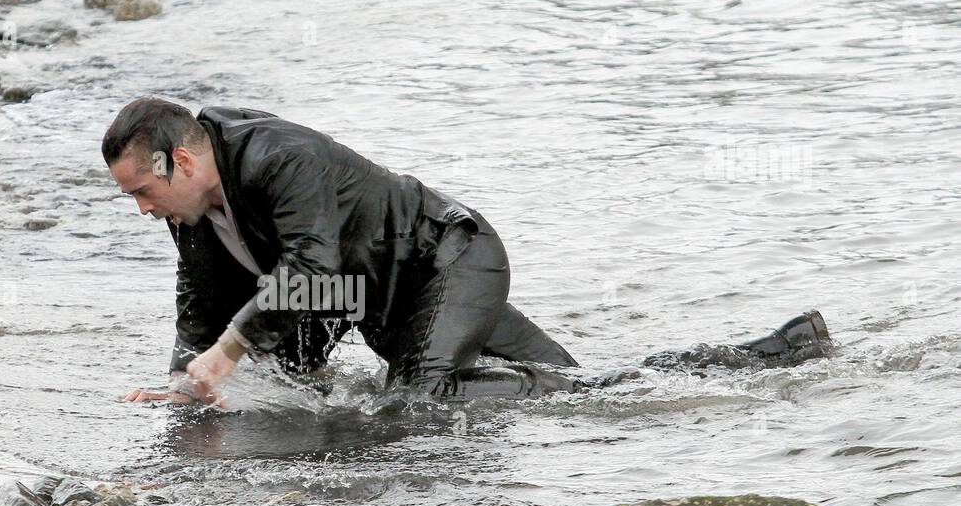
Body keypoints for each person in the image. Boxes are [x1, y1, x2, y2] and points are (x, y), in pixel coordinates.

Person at [103, 97, 831, 405]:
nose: (140, 208)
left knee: (418, 401)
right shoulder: (189, 209)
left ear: (183, 162)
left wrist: (230, 352)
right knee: (593, 391)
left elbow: (311, 269)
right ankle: (780, 352)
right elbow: (199, 307)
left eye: (142, 190)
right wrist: (182, 383)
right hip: (381, 296)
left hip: (451, 256)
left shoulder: (276, 156)